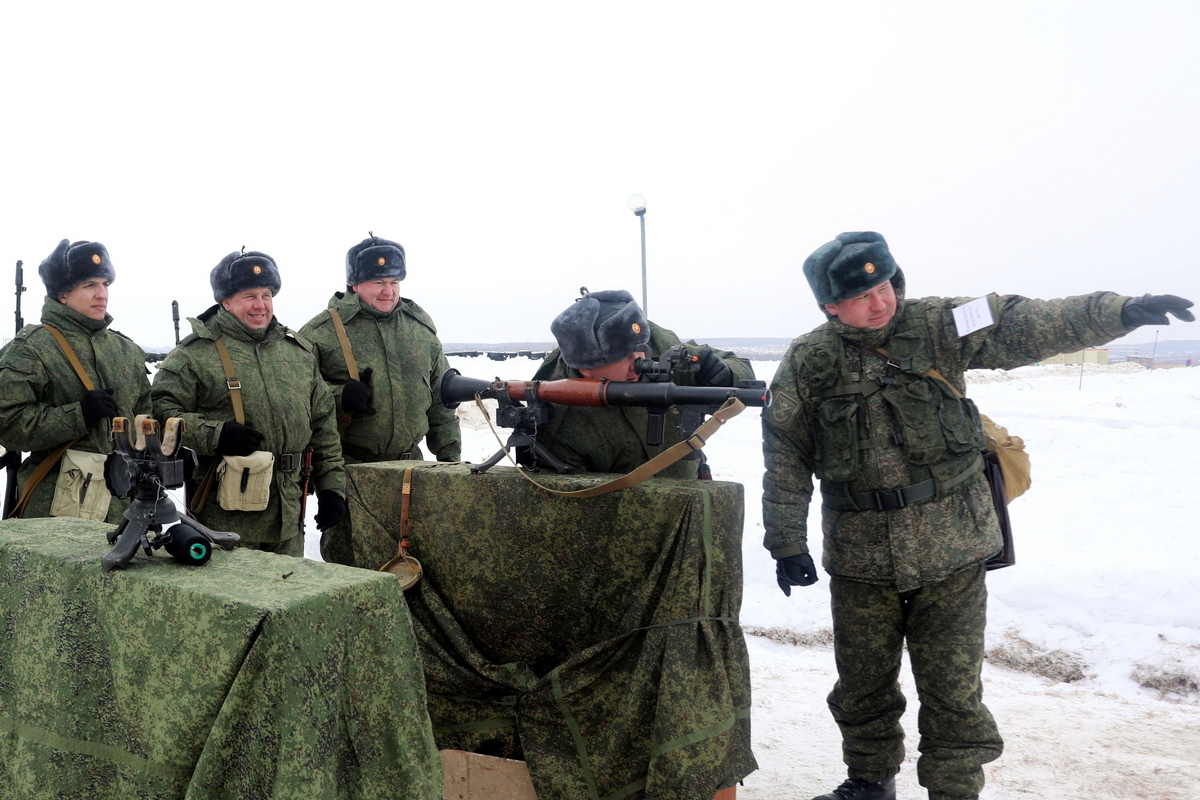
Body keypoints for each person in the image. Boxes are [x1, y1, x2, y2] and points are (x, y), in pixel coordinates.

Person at [762, 231, 1194, 800]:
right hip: (861, 553)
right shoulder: (808, 361)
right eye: (864, 293)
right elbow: (786, 452)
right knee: (863, 684)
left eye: (886, 283)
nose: (882, 299)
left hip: (954, 546)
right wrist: (786, 539)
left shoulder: (942, 323)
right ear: (830, 305)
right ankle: (869, 781)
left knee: (952, 688)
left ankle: (955, 789)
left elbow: (1025, 322)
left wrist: (1117, 312)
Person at [151, 249, 346, 556]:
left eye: (267, 294)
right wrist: (216, 434)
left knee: (287, 599)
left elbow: (324, 427)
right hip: (223, 523)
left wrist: (333, 488)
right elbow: (161, 415)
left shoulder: (297, 353)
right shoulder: (194, 355)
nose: (260, 305)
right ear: (225, 302)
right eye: (249, 296)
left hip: (288, 516)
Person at [299, 234, 460, 565]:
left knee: (414, 564)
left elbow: (441, 401)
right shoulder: (321, 332)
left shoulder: (420, 328)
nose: (388, 291)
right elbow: (297, 399)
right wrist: (340, 397)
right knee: (351, 568)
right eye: (378, 282)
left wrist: (451, 464)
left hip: (412, 472)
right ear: (355, 284)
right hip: (351, 473)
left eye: (394, 281)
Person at [0, 239, 152, 523]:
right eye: (90, 285)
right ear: (62, 295)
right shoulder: (31, 347)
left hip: (123, 511)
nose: (102, 294)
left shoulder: (127, 351)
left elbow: (146, 418)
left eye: (105, 283)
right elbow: (7, 424)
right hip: (55, 515)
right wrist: (79, 415)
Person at [532, 288, 754, 478]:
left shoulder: (651, 340)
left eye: (640, 348)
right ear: (586, 368)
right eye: (623, 356)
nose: (638, 361)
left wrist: (724, 374)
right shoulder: (556, 413)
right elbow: (575, 502)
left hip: (692, 498)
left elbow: (741, 369)